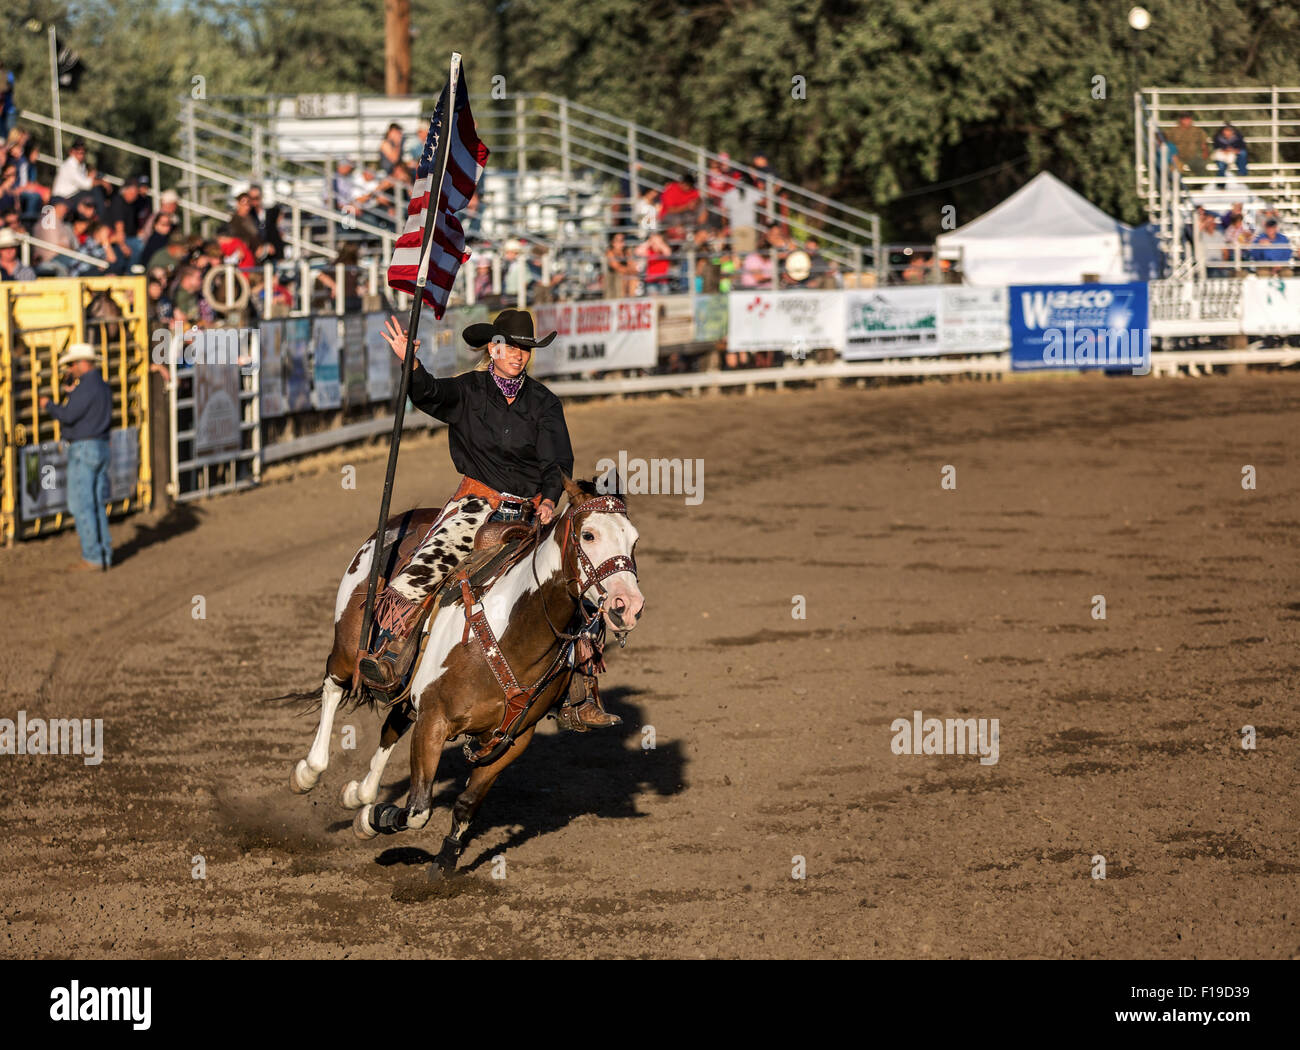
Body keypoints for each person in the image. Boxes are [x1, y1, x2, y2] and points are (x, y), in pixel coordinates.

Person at [356, 310, 619, 729]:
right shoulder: (468, 390)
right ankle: (390, 653)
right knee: (430, 564)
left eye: (525, 349)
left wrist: (550, 500)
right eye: (511, 346)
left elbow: (557, 462)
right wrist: (413, 365)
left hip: (532, 509)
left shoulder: (545, 404)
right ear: (492, 349)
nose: (519, 355)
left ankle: (581, 691)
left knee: (574, 579)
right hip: (476, 505)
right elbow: (429, 396)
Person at [39, 343, 114, 571]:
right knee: (96, 504)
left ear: (82, 363)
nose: (71, 369)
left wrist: (49, 405)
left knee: (82, 504)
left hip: (84, 448)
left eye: (72, 364)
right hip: (100, 445)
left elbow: (69, 415)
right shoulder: (102, 386)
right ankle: (103, 553)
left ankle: (92, 556)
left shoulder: (86, 388)